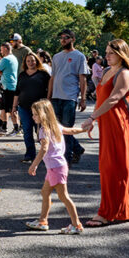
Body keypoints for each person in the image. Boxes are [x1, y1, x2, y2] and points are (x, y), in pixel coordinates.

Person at [80, 39, 129, 227]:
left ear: (121, 54)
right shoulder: (106, 71)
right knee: (114, 167)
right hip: (107, 123)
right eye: (106, 52)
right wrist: (96, 119)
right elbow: (101, 98)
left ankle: (107, 212)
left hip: (119, 124)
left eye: (111, 53)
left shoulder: (125, 73)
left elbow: (114, 98)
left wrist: (92, 117)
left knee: (115, 168)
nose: (107, 56)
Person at [26, 99, 85, 234]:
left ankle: (76, 225)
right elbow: (71, 130)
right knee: (45, 192)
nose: (33, 117)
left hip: (55, 168)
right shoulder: (55, 126)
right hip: (56, 167)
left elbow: (44, 148)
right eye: (33, 114)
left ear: (44, 115)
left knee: (64, 196)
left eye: (35, 114)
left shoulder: (44, 130)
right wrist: (84, 129)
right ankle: (42, 221)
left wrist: (34, 165)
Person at [47, 29, 88, 164]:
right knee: (57, 129)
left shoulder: (79, 56)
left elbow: (82, 78)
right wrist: (48, 97)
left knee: (67, 128)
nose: (63, 40)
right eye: (61, 38)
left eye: (66, 37)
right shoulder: (56, 56)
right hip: (56, 97)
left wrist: (83, 99)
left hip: (70, 97)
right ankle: (77, 149)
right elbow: (52, 77)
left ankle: (66, 158)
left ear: (73, 39)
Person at [14, 53, 52, 162]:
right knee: (27, 131)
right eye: (28, 61)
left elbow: (50, 87)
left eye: (33, 60)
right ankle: (30, 155)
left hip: (40, 108)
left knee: (41, 132)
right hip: (24, 107)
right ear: (25, 63)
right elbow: (17, 91)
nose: (31, 63)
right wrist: (14, 106)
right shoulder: (22, 75)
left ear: (37, 61)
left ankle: (48, 154)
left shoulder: (43, 74)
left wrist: (48, 100)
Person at [0, 42, 20, 135]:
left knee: (11, 109)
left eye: (1, 49)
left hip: (9, 87)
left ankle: (16, 128)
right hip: (12, 85)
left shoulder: (5, 59)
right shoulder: (14, 58)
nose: (0, 51)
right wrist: (4, 73)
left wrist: (2, 71)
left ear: (5, 49)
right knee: (4, 108)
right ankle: (3, 126)